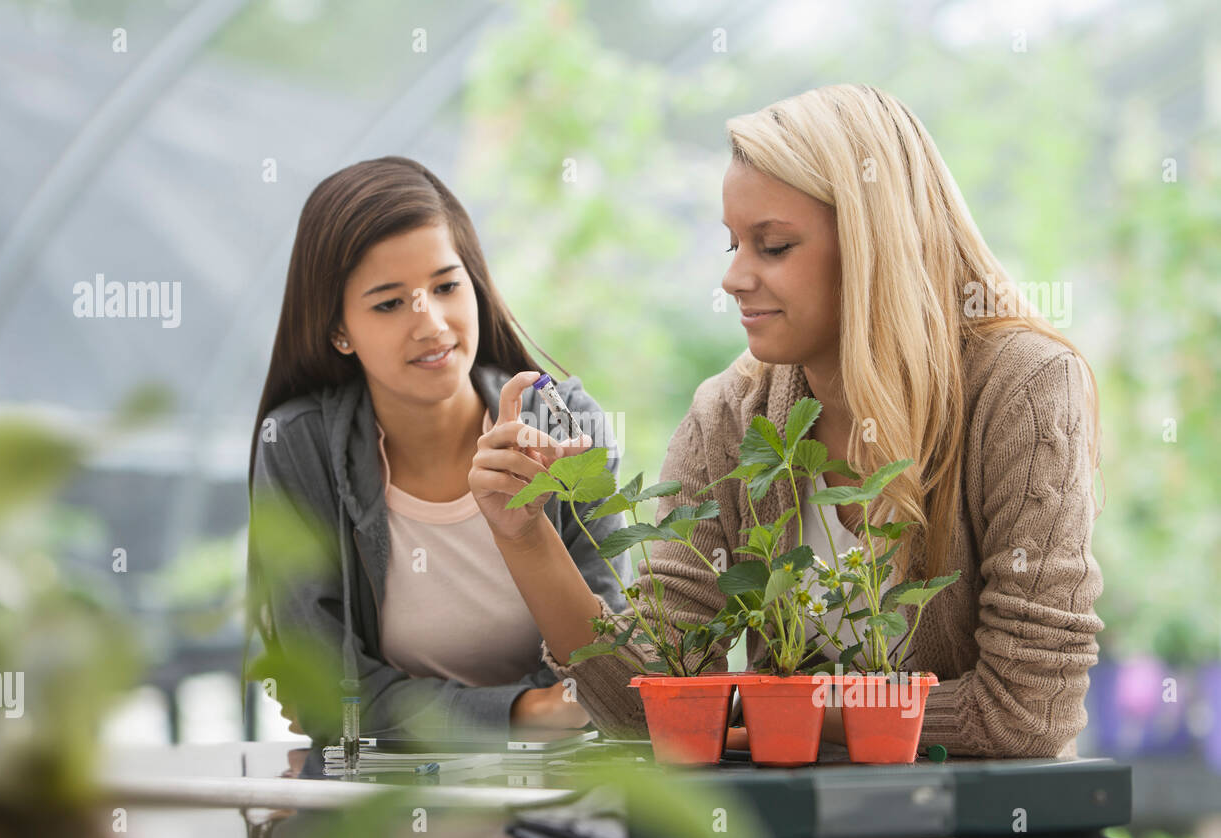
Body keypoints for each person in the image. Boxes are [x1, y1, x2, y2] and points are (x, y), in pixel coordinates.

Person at [471, 84, 1105, 758]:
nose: (734, 279)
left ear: (872, 248)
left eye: (772, 247)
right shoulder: (731, 417)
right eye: (732, 246)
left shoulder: (1021, 389)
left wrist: (765, 709)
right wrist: (526, 538)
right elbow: (649, 702)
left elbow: (1026, 713)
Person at [246, 157, 629, 746]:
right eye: (389, 303)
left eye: (446, 286)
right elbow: (324, 697)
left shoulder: (567, 422)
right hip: (382, 807)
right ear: (338, 331)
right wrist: (525, 712)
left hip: (571, 790)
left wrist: (396, 711)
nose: (431, 323)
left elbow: (611, 670)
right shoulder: (299, 446)